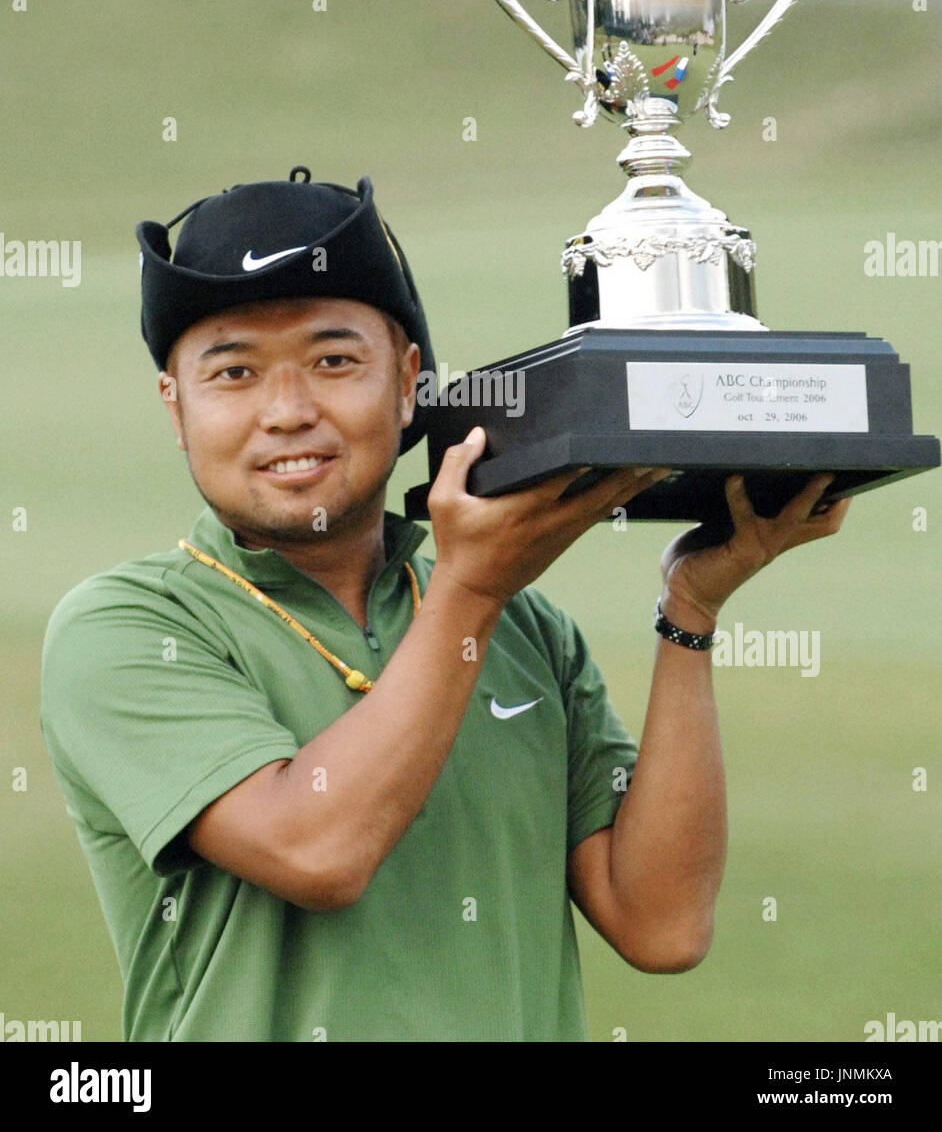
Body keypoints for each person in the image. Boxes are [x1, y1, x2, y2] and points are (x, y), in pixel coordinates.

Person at [40, 166, 850, 1042]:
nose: (287, 411)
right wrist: (472, 588)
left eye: (334, 360)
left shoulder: (524, 626)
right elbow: (317, 851)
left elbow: (661, 925)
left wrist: (689, 610)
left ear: (408, 381)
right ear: (176, 406)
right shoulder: (128, 626)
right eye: (233, 372)